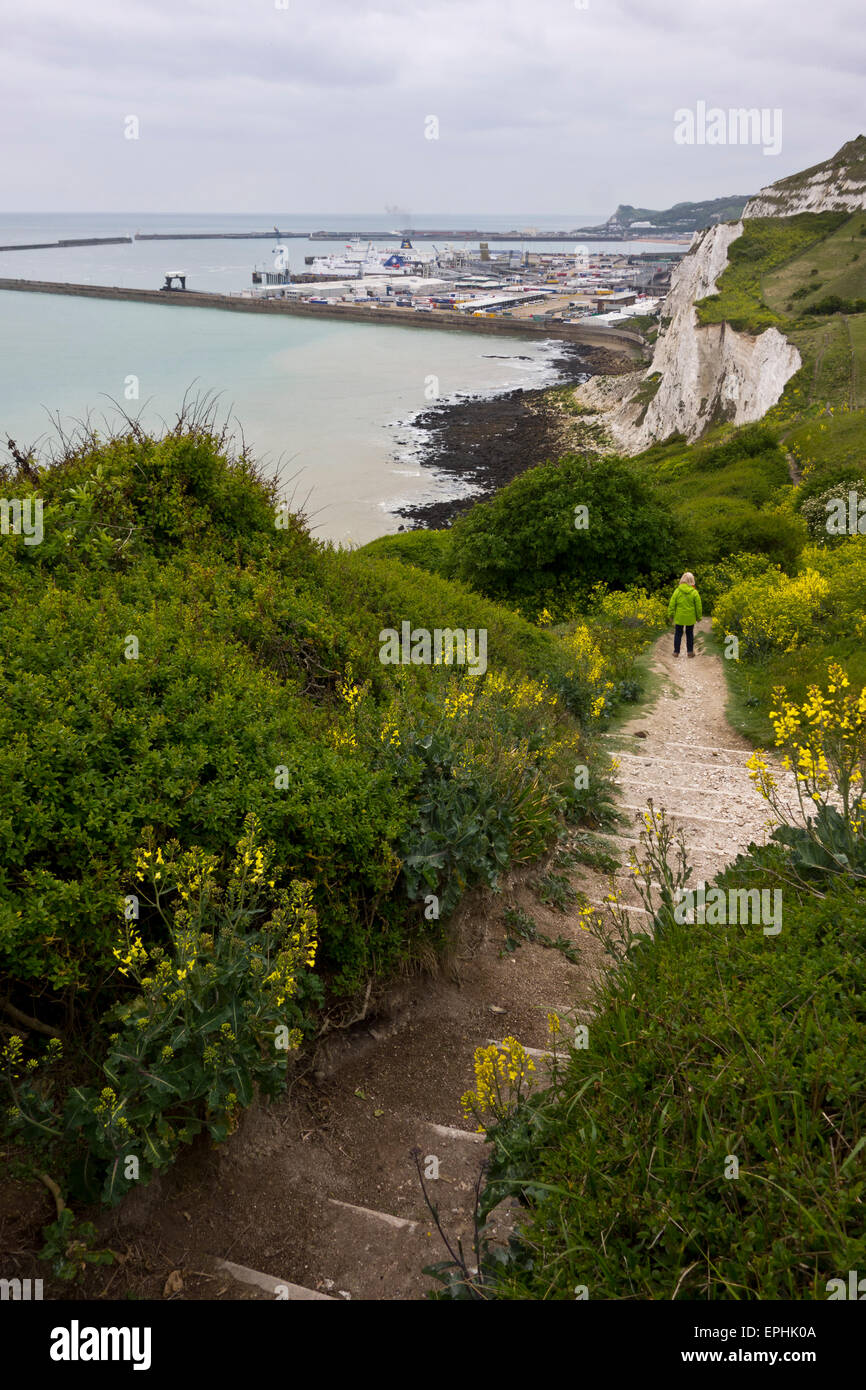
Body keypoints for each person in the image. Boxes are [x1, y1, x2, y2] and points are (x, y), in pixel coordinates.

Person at [667, 571, 702, 658]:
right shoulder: (694, 592)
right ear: (692, 580)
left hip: (679, 617)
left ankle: (676, 652)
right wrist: (698, 617)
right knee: (689, 634)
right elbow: (698, 606)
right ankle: (690, 652)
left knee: (678, 633)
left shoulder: (677, 591)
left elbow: (672, 604)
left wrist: (670, 615)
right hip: (690, 618)